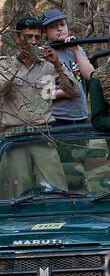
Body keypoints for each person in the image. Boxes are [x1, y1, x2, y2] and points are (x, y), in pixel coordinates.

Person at [0, 14, 78, 196]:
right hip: (14, 138)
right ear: (17, 38)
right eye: (28, 37)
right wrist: (18, 62)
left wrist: (58, 64)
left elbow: (74, 91)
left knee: (57, 188)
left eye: (37, 37)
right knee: (19, 191)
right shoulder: (5, 64)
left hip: (43, 135)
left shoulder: (48, 66)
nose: (33, 42)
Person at [41, 9, 92, 125]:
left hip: (81, 116)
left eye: (62, 24)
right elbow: (46, 93)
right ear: (45, 31)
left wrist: (76, 50)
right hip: (58, 118)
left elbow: (89, 76)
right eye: (53, 27)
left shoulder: (75, 50)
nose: (60, 29)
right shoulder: (47, 54)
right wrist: (65, 92)